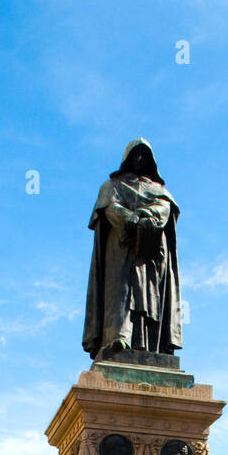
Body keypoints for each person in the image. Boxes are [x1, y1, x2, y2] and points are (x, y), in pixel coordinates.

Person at [83, 139, 182, 360]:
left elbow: (165, 209)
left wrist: (147, 218)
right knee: (120, 290)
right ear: (127, 158)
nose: (138, 159)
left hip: (151, 252)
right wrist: (131, 220)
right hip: (121, 246)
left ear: (150, 160)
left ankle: (149, 344)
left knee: (149, 295)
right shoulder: (112, 186)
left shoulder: (160, 191)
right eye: (135, 154)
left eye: (143, 155)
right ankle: (118, 337)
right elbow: (110, 207)